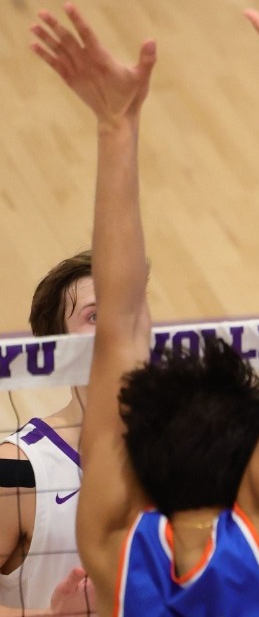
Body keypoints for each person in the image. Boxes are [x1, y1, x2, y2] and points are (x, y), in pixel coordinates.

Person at [33, 0, 259, 614]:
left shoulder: (116, 548)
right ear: (257, 459)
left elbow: (117, 330)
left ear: (137, 471)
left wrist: (116, 124)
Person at [0, 256, 95, 617]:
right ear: (59, 350)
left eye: (131, 308)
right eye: (96, 316)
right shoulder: (17, 470)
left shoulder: (187, 454)